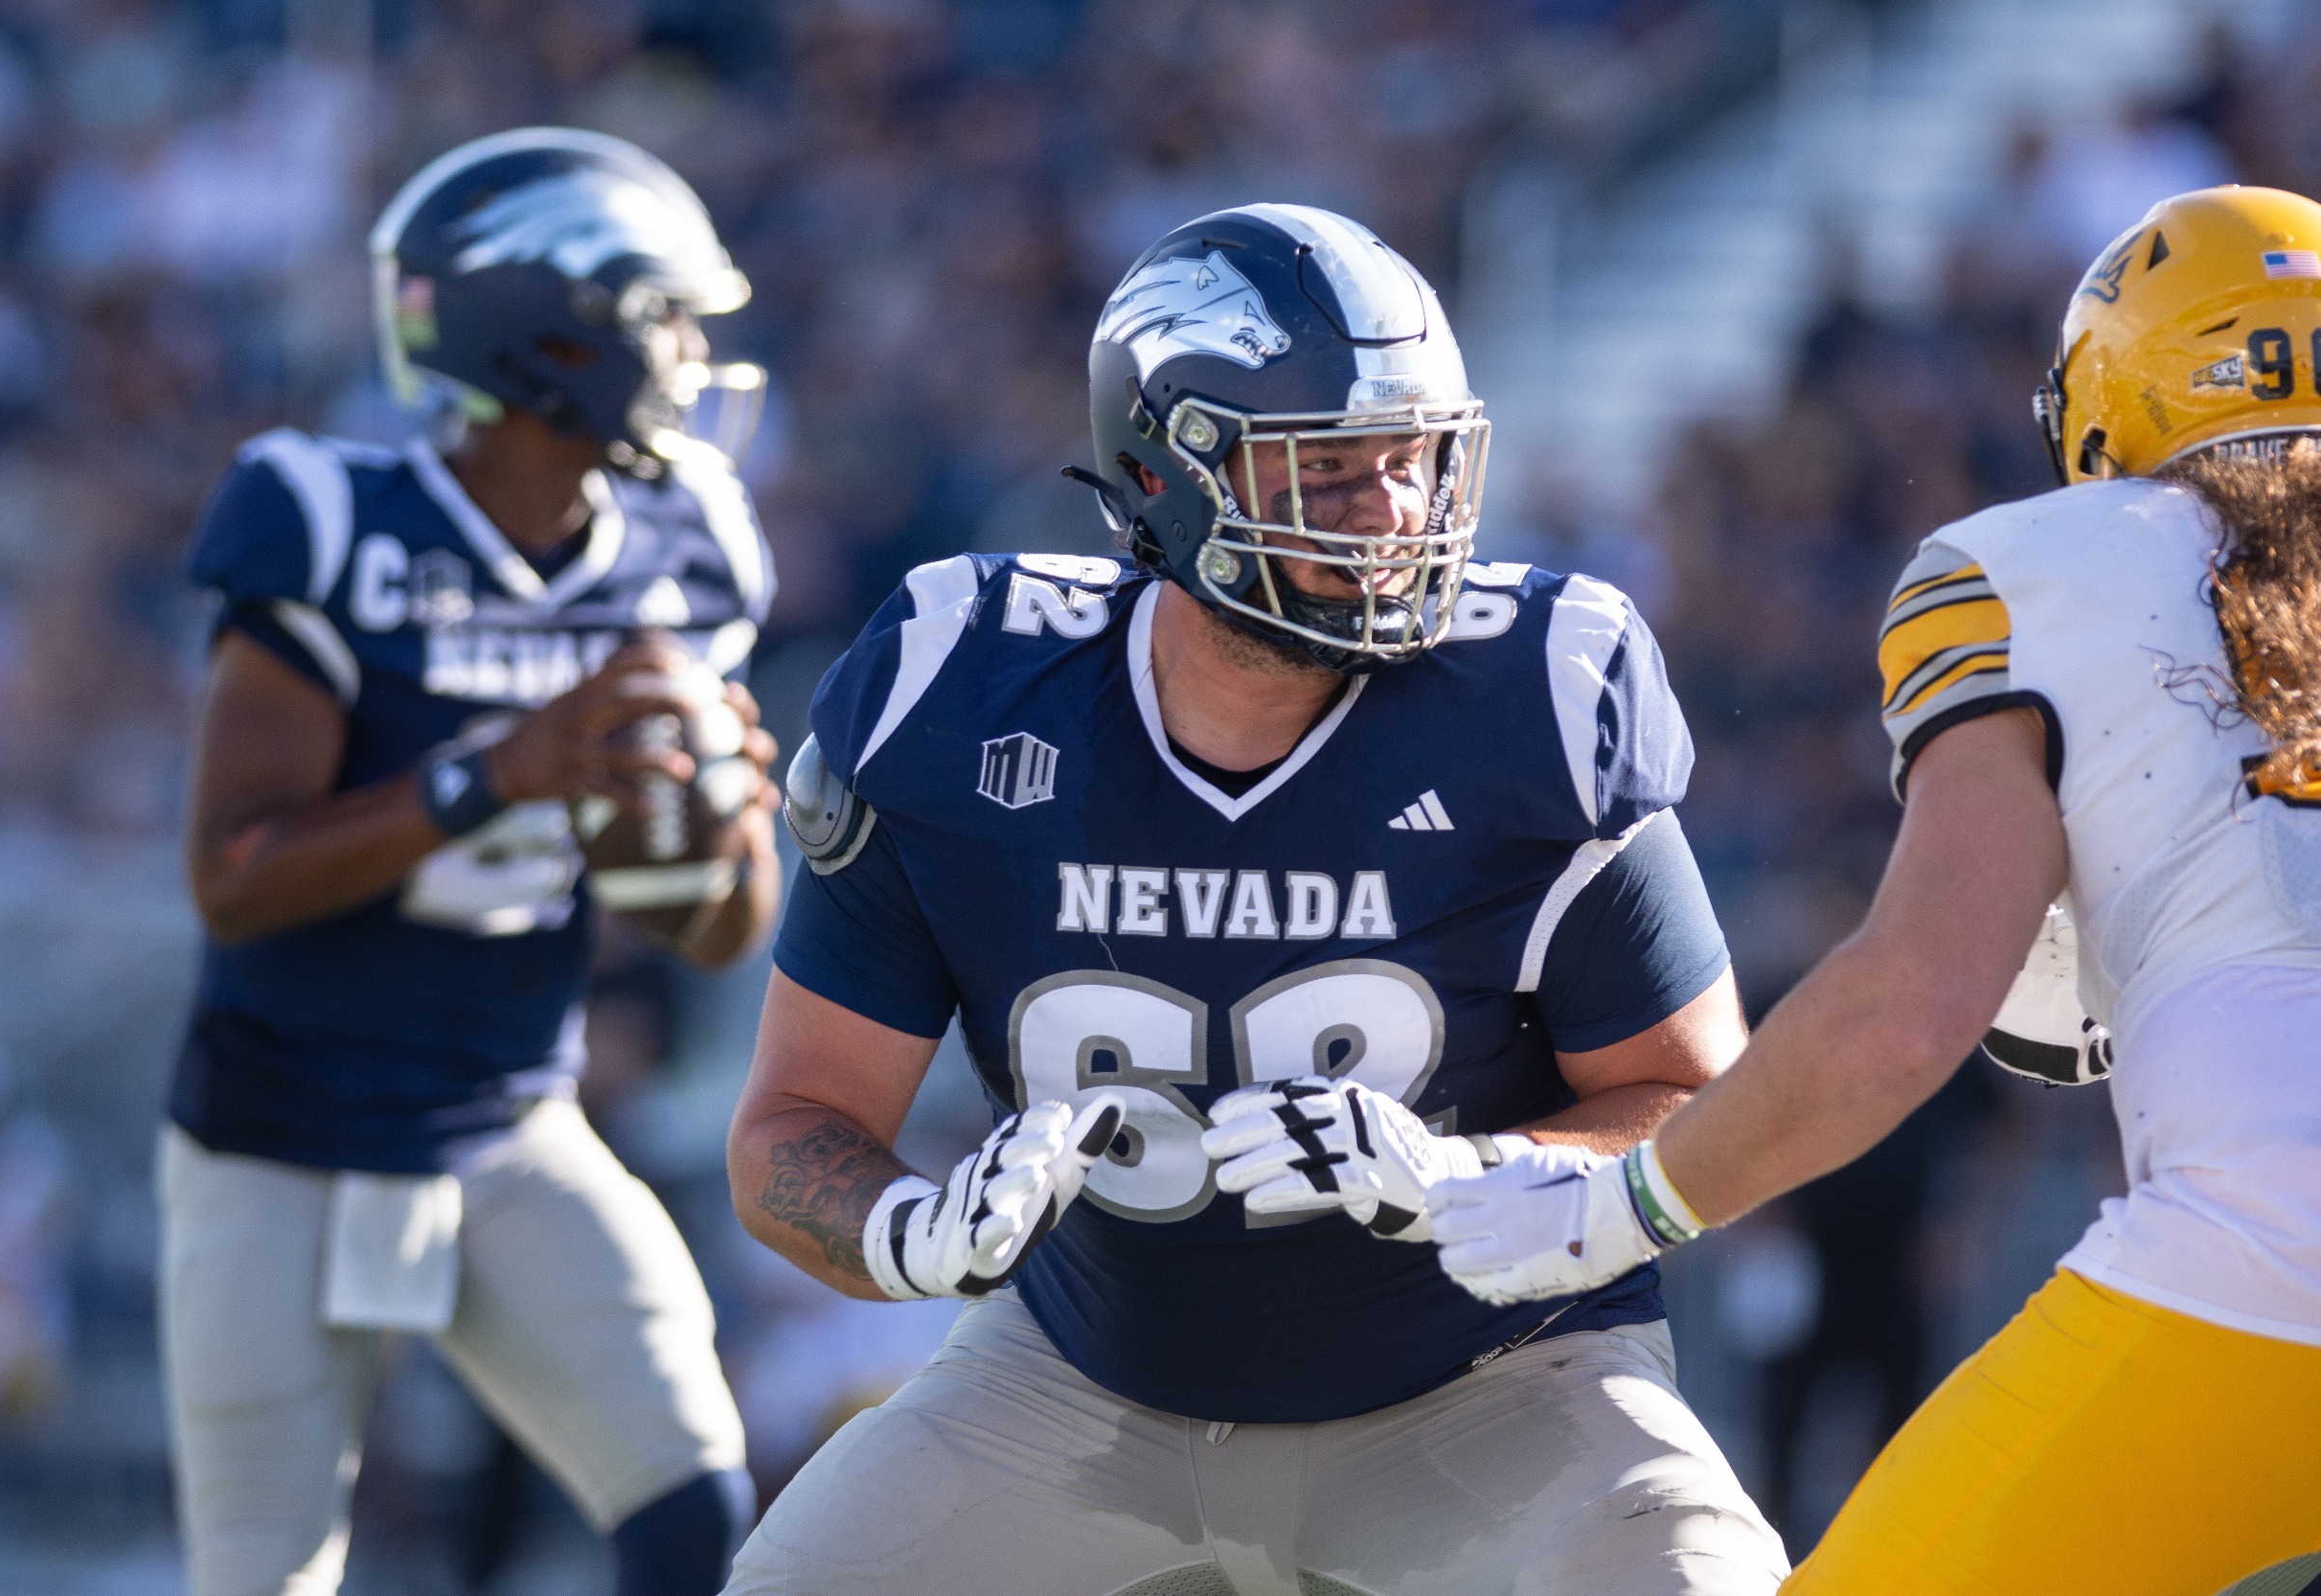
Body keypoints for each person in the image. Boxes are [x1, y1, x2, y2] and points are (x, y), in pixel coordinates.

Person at [724, 203, 1787, 1596]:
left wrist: (1477, 1180)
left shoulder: (1532, 702)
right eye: (1330, 475)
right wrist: (904, 1231)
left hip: (1492, 1386)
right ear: (1165, 480)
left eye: (1411, 464)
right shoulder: (958, 692)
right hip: (1075, 1379)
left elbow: (1701, 1108)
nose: (1396, 515)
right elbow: (792, 1129)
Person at [1422, 185, 2321, 1594]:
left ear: (2112, 396)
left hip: (2276, 1254)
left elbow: (1919, 1002)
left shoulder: (2042, 565)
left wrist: (1632, 1203)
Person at [161, 128, 780, 1596]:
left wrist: (713, 822)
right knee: (267, 1575)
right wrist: (492, 773)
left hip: (507, 1125)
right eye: (666, 316)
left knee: (700, 1508)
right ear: (556, 332)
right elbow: (234, 872)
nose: (695, 354)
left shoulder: (684, 545)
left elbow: (712, 930)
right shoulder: (327, 520)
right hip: (277, 1139)